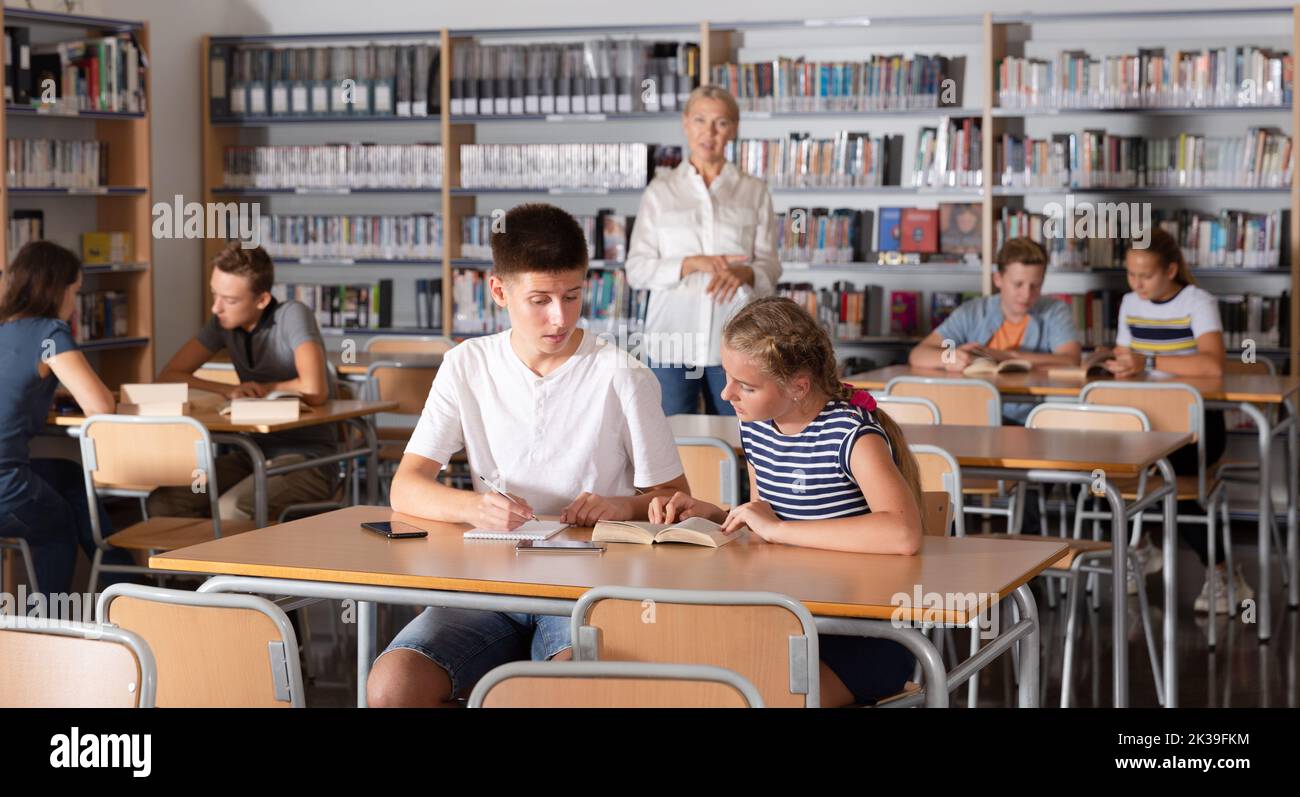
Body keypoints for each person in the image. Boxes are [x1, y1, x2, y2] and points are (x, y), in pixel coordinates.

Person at [366, 204, 689, 707]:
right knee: (392, 686)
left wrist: (618, 504)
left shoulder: (623, 375)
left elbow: (675, 501)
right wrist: (475, 507)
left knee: (555, 694)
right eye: (539, 299)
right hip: (488, 586)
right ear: (499, 291)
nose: (559, 317)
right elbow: (405, 486)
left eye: (573, 296)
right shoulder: (465, 366)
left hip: (585, 591)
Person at [649, 296, 923, 706]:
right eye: (727, 376)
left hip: (863, 633)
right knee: (692, 672)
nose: (725, 394)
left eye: (746, 385)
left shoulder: (852, 434)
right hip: (789, 617)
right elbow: (772, 528)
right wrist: (719, 515)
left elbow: (903, 534)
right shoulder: (758, 426)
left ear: (798, 386)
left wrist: (775, 529)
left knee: (755, 694)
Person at [1100, 227, 1243, 612]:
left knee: (1171, 485)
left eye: (1146, 275)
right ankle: (1140, 549)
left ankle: (1225, 575)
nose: (1137, 283)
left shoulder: (1198, 302)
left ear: (1171, 270)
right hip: (1144, 423)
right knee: (1102, 480)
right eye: (1131, 274)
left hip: (1195, 430)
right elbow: (1123, 356)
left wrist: (1147, 361)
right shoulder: (1130, 303)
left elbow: (1213, 366)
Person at [148, 243, 336, 522]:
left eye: (230, 300)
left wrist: (269, 388)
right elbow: (170, 375)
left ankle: (230, 568)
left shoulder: (293, 315)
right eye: (215, 295)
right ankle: (202, 568)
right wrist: (229, 390)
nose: (216, 307)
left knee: (232, 508)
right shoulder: (221, 323)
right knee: (164, 503)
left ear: (261, 300)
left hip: (309, 462)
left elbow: (315, 390)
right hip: (252, 455)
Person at [625, 84, 781, 416]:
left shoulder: (754, 191)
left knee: (741, 436)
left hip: (737, 342)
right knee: (672, 442)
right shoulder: (661, 191)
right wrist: (690, 263)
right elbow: (636, 270)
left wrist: (746, 272)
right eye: (699, 120)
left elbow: (771, 268)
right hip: (671, 340)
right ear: (685, 124)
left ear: (734, 129)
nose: (708, 132)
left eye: (721, 123)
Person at [0, 241, 131, 597]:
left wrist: (46, 393)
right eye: (75, 291)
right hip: (6, 489)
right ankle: (47, 632)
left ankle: (127, 583)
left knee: (71, 479)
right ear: (57, 289)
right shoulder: (50, 333)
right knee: (58, 530)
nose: (75, 304)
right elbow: (101, 407)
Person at [908, 237, 1081, 424]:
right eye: (1018, 284)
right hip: (972, 413)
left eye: (1035, 285)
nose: (1027, 294)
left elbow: (1070, 360)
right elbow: (918, 354)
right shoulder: (972, 312)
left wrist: (1006, 355)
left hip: (1033, 418)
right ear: (998, 279)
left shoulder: (1055, 311)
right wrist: (949, 357)